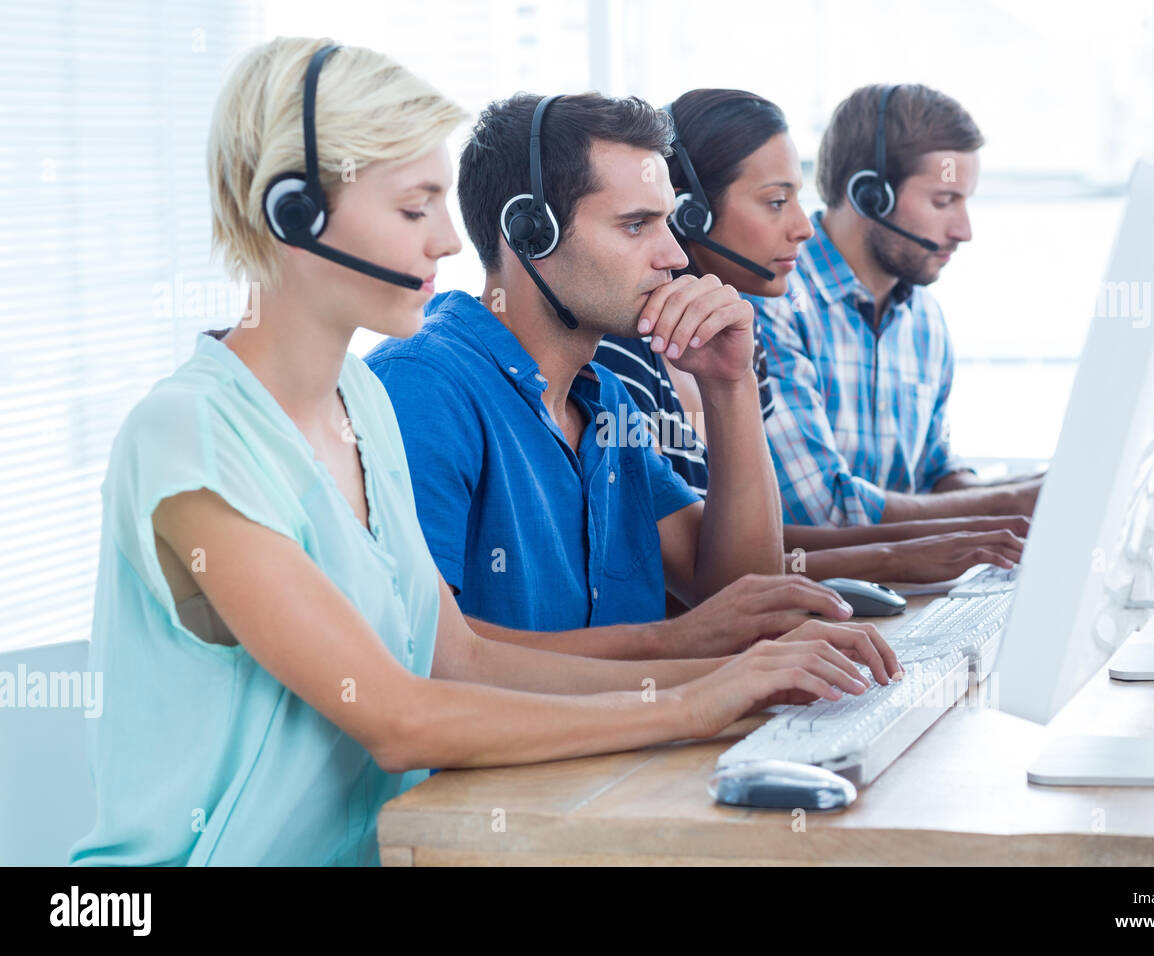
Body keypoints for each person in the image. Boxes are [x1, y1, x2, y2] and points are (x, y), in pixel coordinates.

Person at [69, 38, 899, 867]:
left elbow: (457, 657)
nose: (442, 242)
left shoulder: (358, 405)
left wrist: (737, 689)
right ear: (293, 214)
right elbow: (400, 716)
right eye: (412, 208)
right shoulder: (194, 433)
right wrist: (700, 698)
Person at [367, 92, 866, 659]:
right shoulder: (422, 388)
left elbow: (738, 605)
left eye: (668, 223)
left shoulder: (607, 402)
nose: (676, 256)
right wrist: (671, 645)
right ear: (531, 233)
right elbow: (421, 651)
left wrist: (730, 386)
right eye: (636, 226)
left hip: (641, 748)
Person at [594, 89, 1026, 583]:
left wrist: (960, 536)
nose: (802, 227)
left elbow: (759, 546)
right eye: (777, 202)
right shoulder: (621, 363)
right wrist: (896, 556)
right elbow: (711, 578)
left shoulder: (736, 348)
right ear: (689, 215)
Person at [751, 83, 1043, 528]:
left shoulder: (924, 320)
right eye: (944, 201)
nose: (964, 230)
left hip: (906, 593)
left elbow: (934, 479)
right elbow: (823, 513)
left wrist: (1040, 489)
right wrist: (1009, 503)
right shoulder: (775, 300)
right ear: (870, 195)